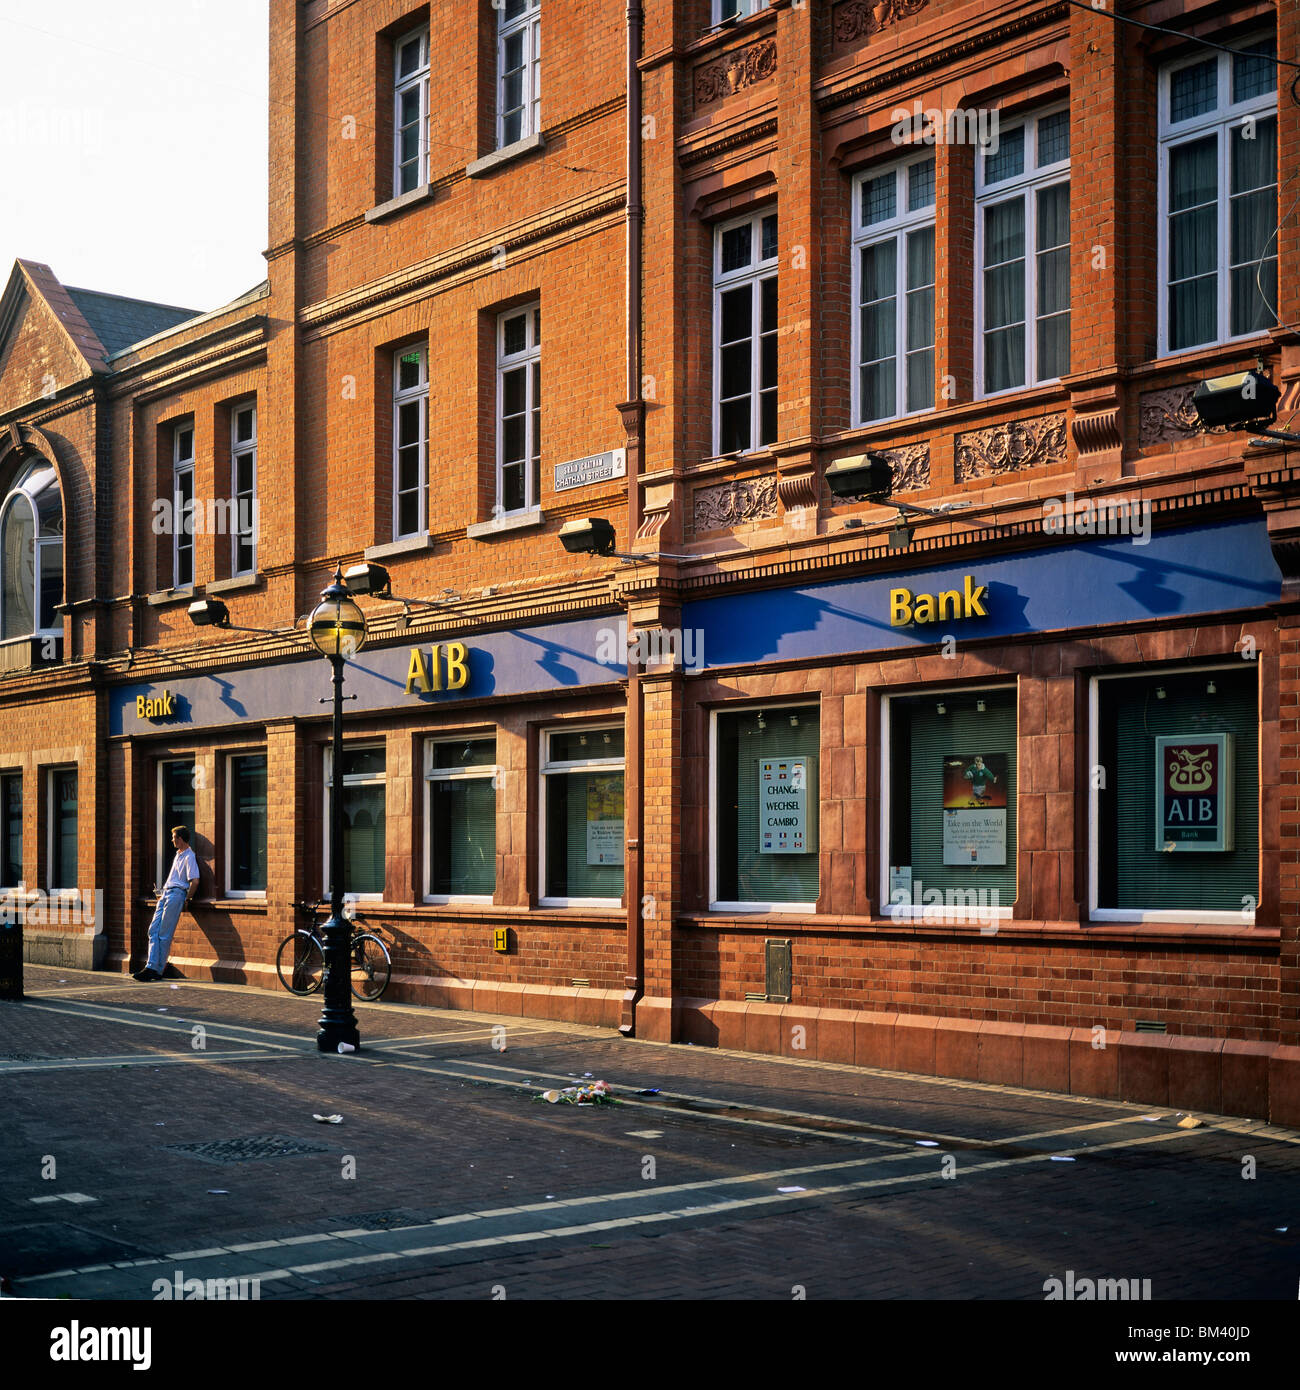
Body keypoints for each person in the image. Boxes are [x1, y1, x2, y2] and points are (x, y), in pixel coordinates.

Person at [134, 826, 199, 981]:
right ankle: (152, 967)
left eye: (174, 837)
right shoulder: (178, 855)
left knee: (164, 934)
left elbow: (195, 881)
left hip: (177, 894)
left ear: (180, 839)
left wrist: (187, 899)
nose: (172, 840)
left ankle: (155, 969)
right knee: (153, 930)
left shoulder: (190, 856)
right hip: (166, 893)